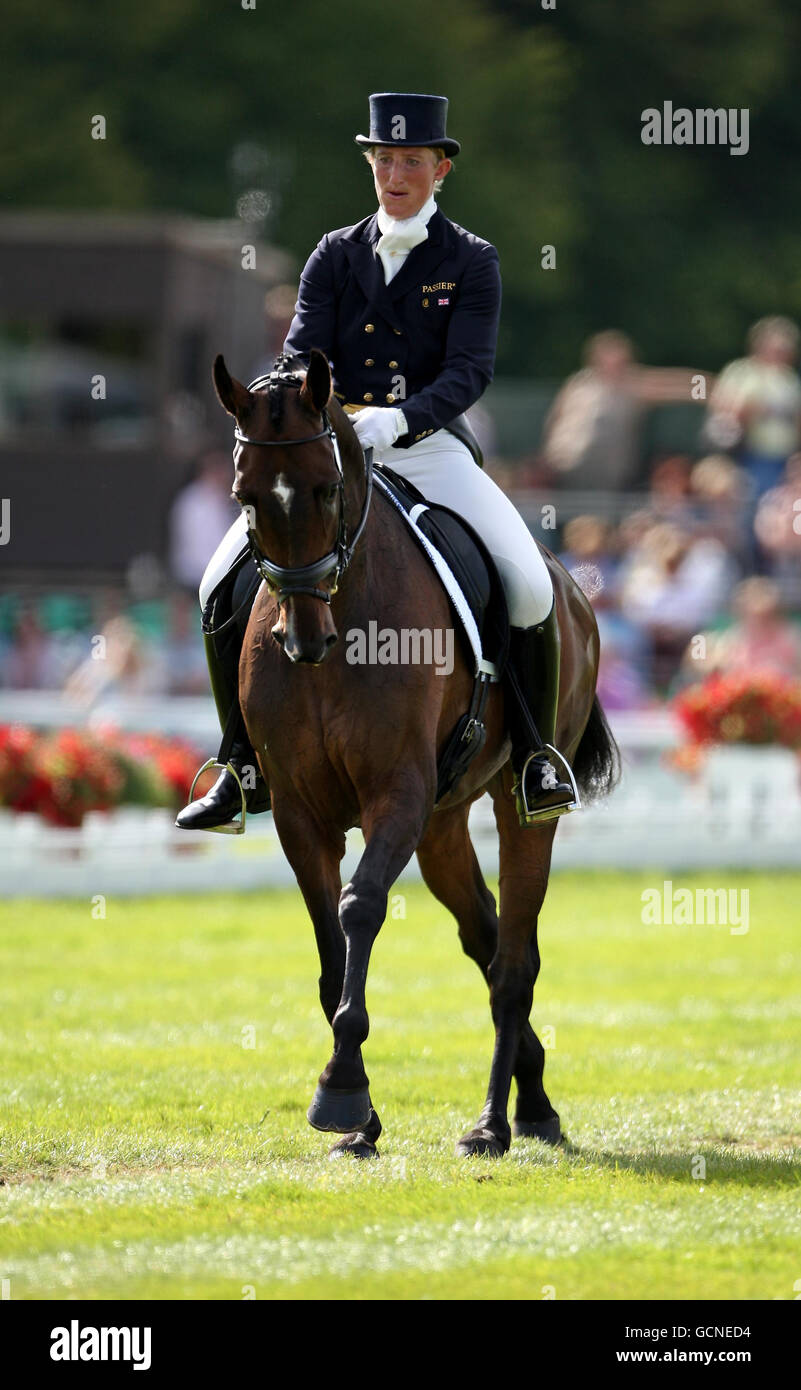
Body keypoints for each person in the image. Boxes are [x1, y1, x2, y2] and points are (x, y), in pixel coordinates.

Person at [176, 92, 576, 832]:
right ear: (371, 164)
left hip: (428, 451)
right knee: (215, 584)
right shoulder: (335, 253)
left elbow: (469, 370)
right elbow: (302, 347)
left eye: (411, 161)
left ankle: (534, 755)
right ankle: (237, 762)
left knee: (527, 583)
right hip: (331, 453)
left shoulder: (471, 260)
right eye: (384, 160)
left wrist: (400, 418)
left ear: (439, 169)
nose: (396, 173)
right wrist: (304, 405)